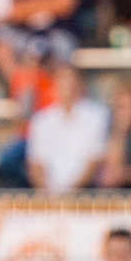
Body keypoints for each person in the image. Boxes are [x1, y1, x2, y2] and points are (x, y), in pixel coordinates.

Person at [25, 63, 108, 192]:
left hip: (86, 195)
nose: (67, 84)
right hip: (49, 198)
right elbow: (36, 164)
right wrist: (49, 193)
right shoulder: (41, 119)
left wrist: (70, 193)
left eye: (70, 79)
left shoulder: (97, 115)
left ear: (80, 82)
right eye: (62, 79)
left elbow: (95, 160)